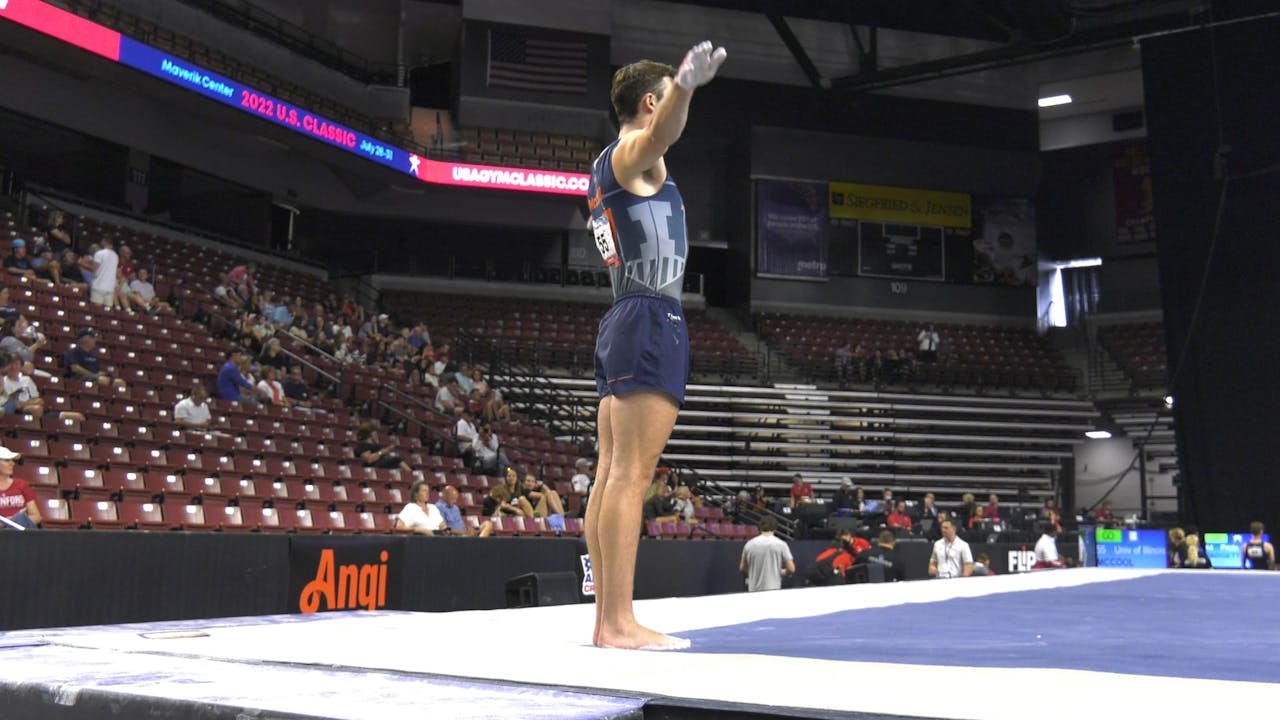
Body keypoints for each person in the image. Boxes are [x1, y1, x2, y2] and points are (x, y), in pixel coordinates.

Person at [582, 40, 726, 650]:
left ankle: (605, 621)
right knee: (630, 476)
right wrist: (685, 86)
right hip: (648, 315)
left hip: (624, 316)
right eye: (664, 97)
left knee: (610, 473)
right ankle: (619, 621)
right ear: (650, 103)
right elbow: (659, 135)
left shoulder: (604, 166)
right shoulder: (631, 155)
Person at [739, 515, 793, 592]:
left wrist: (754, 574)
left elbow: (742, 568)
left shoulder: (749, 544)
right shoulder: (781, 544)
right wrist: (781, 572)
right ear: (775, 528)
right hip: (773, 590)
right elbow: (791, 569)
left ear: (760, 527)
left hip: (753, 590)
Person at [0, 446, 41, 528]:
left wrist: (19, 520)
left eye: (12, 460)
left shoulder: (21, 484)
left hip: (22, 530)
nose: (12, 463)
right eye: (7, 460)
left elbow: (37, 517)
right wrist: (11, 520)